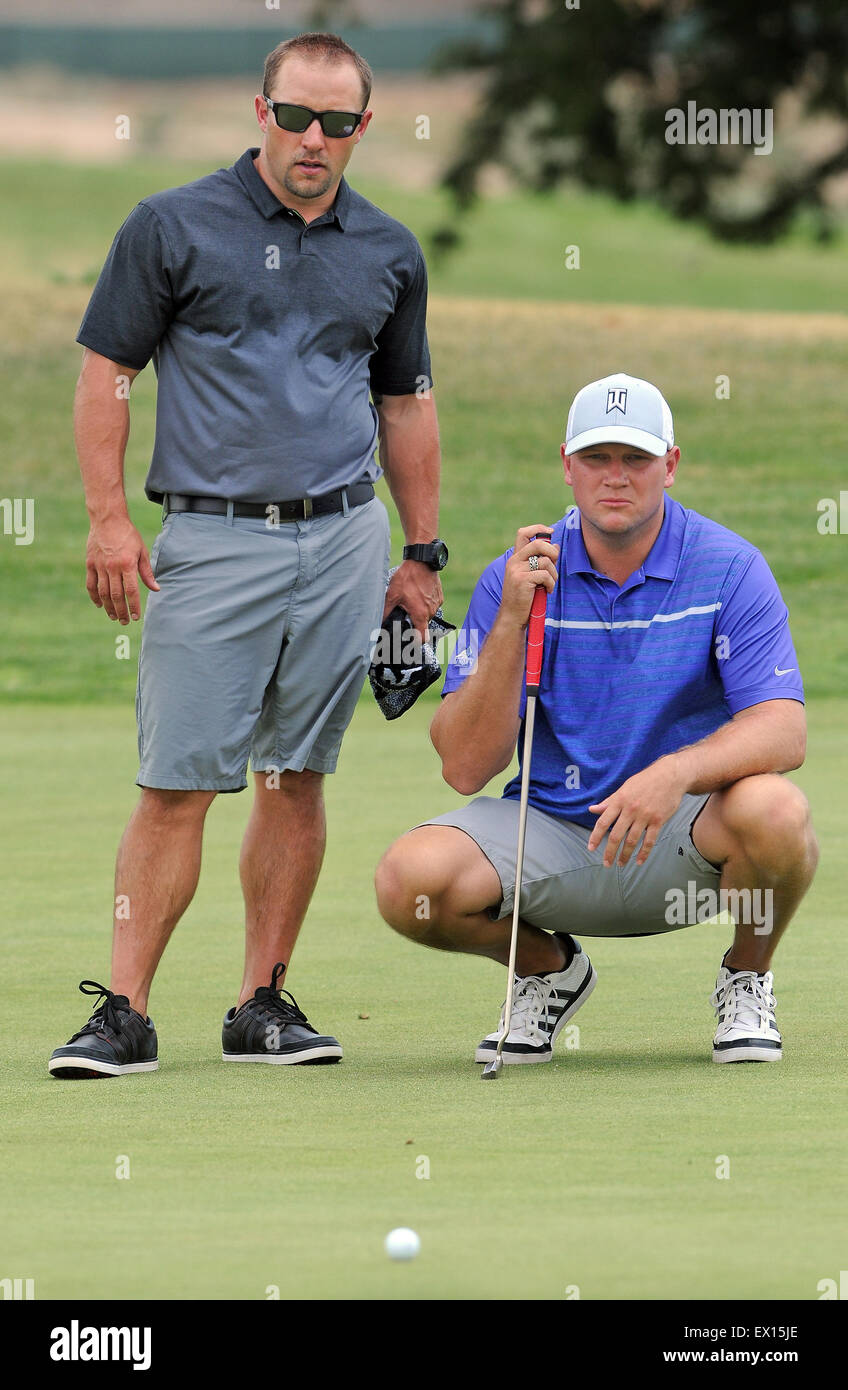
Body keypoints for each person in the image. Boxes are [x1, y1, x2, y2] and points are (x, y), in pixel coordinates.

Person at [50, 31, 448, 1078]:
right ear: (258, 111)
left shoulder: (390, 248)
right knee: (176, 782)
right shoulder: (171, 225)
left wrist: (419, 553)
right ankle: (123, 1011)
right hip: (215, 535)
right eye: (294, 116)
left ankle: (260, 1003)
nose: (312, 139)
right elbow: (107, 376)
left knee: (296, 777)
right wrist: (106, 519)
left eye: (337, 122)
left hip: (345, 538)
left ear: (364, 126)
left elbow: (404, 403)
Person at [376, 372, 818, 1067]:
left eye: (636, 460)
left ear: (669, 466)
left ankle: (746, 973)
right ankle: (546, 970)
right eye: (597, 459)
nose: (616, 478)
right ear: (567, 466)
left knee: (778, 811)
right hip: (551, 830)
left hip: (685, 836)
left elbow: (783, 729)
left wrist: (675, 774)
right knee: (409, 881)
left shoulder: (731, 567)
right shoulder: (515, 577)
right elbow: (465, 764)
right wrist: (513, 622)